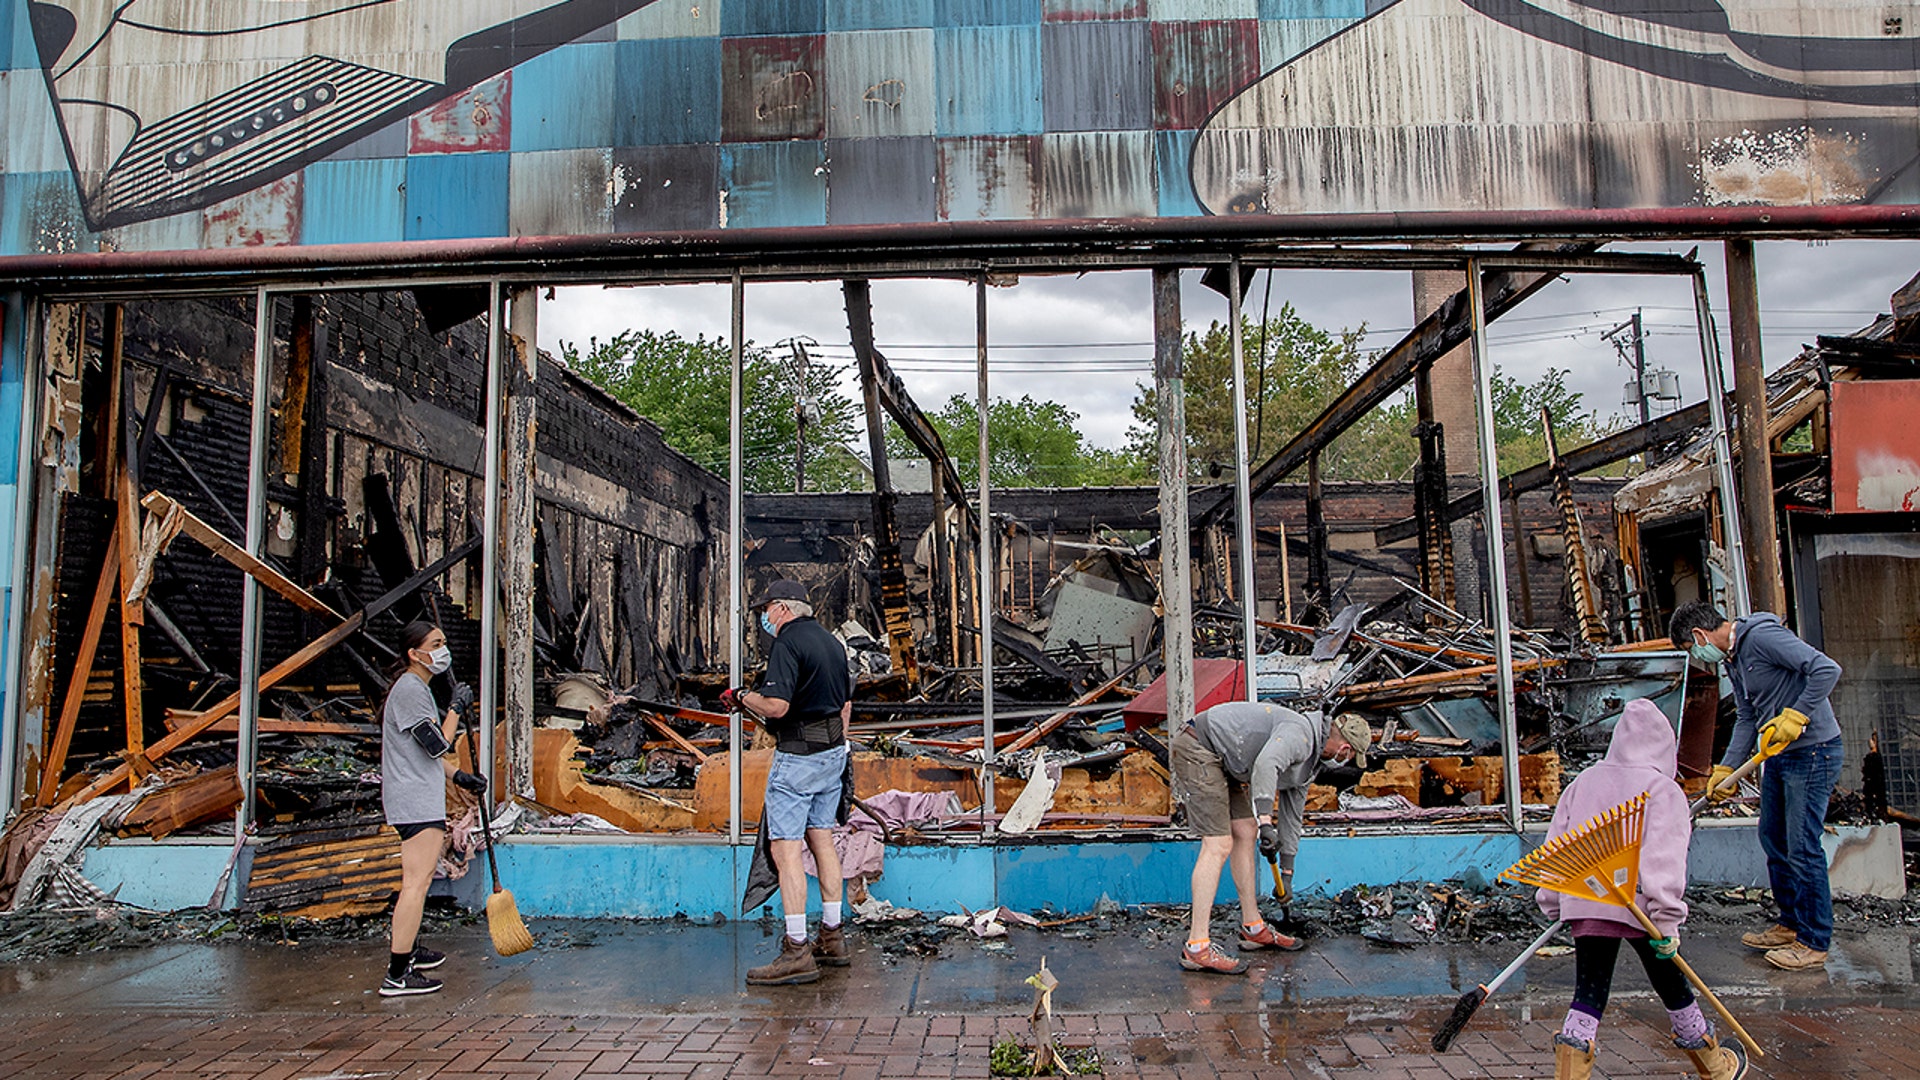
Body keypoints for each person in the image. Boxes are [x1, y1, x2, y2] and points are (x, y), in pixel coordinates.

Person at [1537, 698, 1746, 1080]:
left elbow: (1559, 845)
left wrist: (1553, 902)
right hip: (1641, 908)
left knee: (1589, 992)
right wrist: (1667, 920)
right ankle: (1714, 1067)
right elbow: (1662, 860)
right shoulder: (1662, 790)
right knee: (1672, 985)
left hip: (1587, 901)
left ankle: (1569, 1073)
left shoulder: (1583, 782)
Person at [1669, 600, 1842, 971]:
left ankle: (1814, 941)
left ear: (1700, 635)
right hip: (1779, 755)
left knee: (1802, 847)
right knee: (1774, 840)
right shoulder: (1733, 660)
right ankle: (1790, 924)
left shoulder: (1762, 637)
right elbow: (1747, 717)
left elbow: (1826, 669)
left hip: (1814, 753)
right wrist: (1726, 769)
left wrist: (1798, 714)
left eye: (1692, 648)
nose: (1699, 656)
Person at [1170, 701, 1368, 973]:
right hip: (1199, 746)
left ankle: (1253, 927)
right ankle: (1197, 947)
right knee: (1218, 843)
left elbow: (1292, 818)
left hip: (1226, 759)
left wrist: (1286, 872)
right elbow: (1266, 764)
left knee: (1245, 830)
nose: (1344, 762)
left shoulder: (1309, 766)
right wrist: (1265, 821)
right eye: (1350, 757)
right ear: (1345, 750)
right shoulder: (1300, 735)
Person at [722, 580, 855, 986]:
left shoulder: (787, 643)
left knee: (786, 849)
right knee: (822, 838)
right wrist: (839, 751)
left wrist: (742, 696)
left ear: (781, 608)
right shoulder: (833, 643)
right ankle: (832, 937)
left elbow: (777, 706)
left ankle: (797, 949)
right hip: (833, 753)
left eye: (766, 609)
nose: (764, 617)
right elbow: (846, 703)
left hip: (798, 758)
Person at [379, 620, 487, 997]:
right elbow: (435, 743)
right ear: (415, 653)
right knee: (417, 883)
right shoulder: (409, 689)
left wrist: (459, 778)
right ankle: (397, 973)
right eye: (436, 643)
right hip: (413, 802)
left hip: (418, 796)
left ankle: (409, 950)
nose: (443, 650)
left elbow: (425, 754)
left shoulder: (416, 689)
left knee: (419, 882)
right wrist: (456, 708)